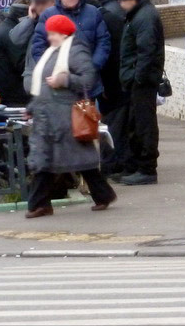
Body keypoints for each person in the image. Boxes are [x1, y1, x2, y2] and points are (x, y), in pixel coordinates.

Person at [23, 14, 117, 217]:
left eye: (53, 33)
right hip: (48, 117)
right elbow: (43, 87)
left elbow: (88, 79)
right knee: (48, 161)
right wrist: (32, 107)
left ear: (63, 33)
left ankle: (40, 204)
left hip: (66, 118)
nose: (50, 37)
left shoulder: (76, 51)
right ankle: (101, 195)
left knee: (71, 161)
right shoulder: (53, 52)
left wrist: (64, 80)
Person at [117, 0, 165, 185]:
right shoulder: (141, 14)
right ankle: (138, 167)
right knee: (137, 123)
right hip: (139, 79)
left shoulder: (144, 17)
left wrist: (138, 77)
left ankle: (146, 168)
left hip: (142, 81)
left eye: (121, 1)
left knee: (143, 124)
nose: (120, 5)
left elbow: (146, 51)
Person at [32, 0, 111, 81]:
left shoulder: (93, 12)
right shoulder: (48, 15)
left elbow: (103, 41)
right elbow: (38, 46)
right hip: (57, 82)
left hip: (89, 80)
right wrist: (53, 71)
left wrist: (93, 66)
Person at [93, 0, 131, 175]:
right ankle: (121, 162)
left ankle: (111, 164)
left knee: (111, 126)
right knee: (122, 126)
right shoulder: (123, 13)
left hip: (109, 83)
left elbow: (103, 54)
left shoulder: (102, 17)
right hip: (124, 78)